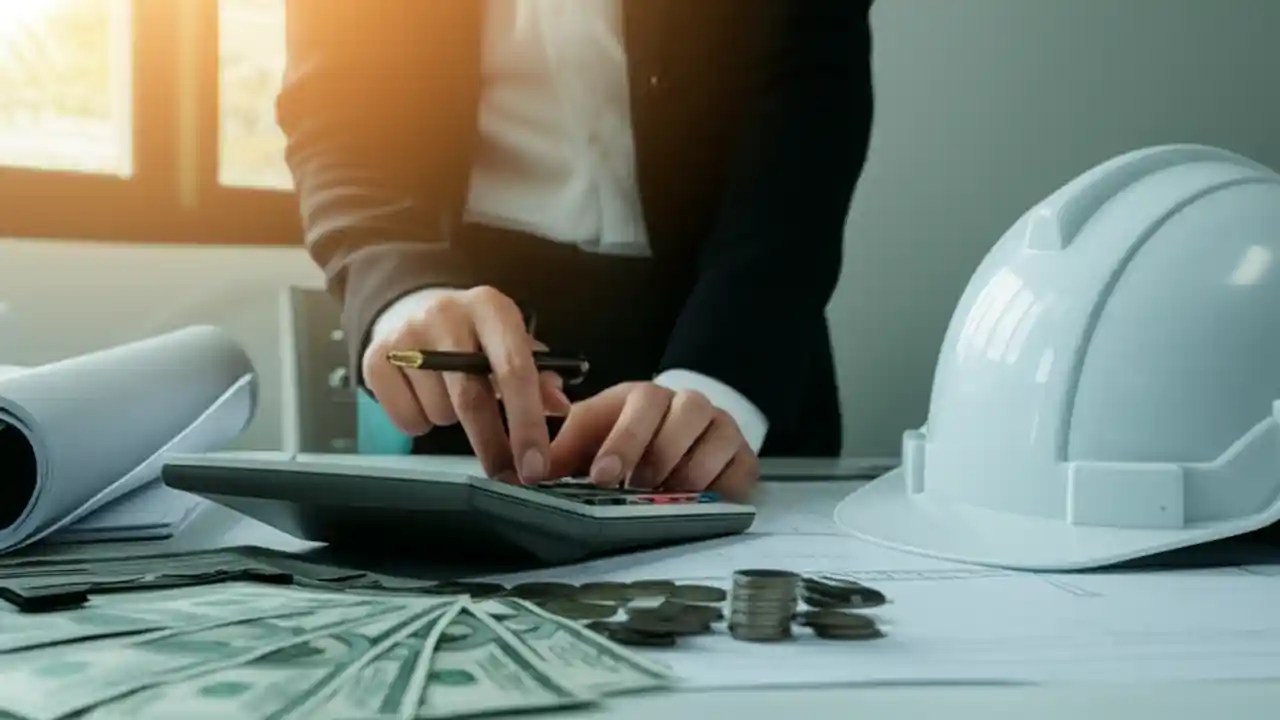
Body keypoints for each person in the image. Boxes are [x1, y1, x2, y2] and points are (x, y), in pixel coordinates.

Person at [276, 1, 875, 501]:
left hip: (735, 333)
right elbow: (337, 118)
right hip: (479, 349)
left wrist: (718, 392)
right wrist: (408, 293)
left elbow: (810, 123)